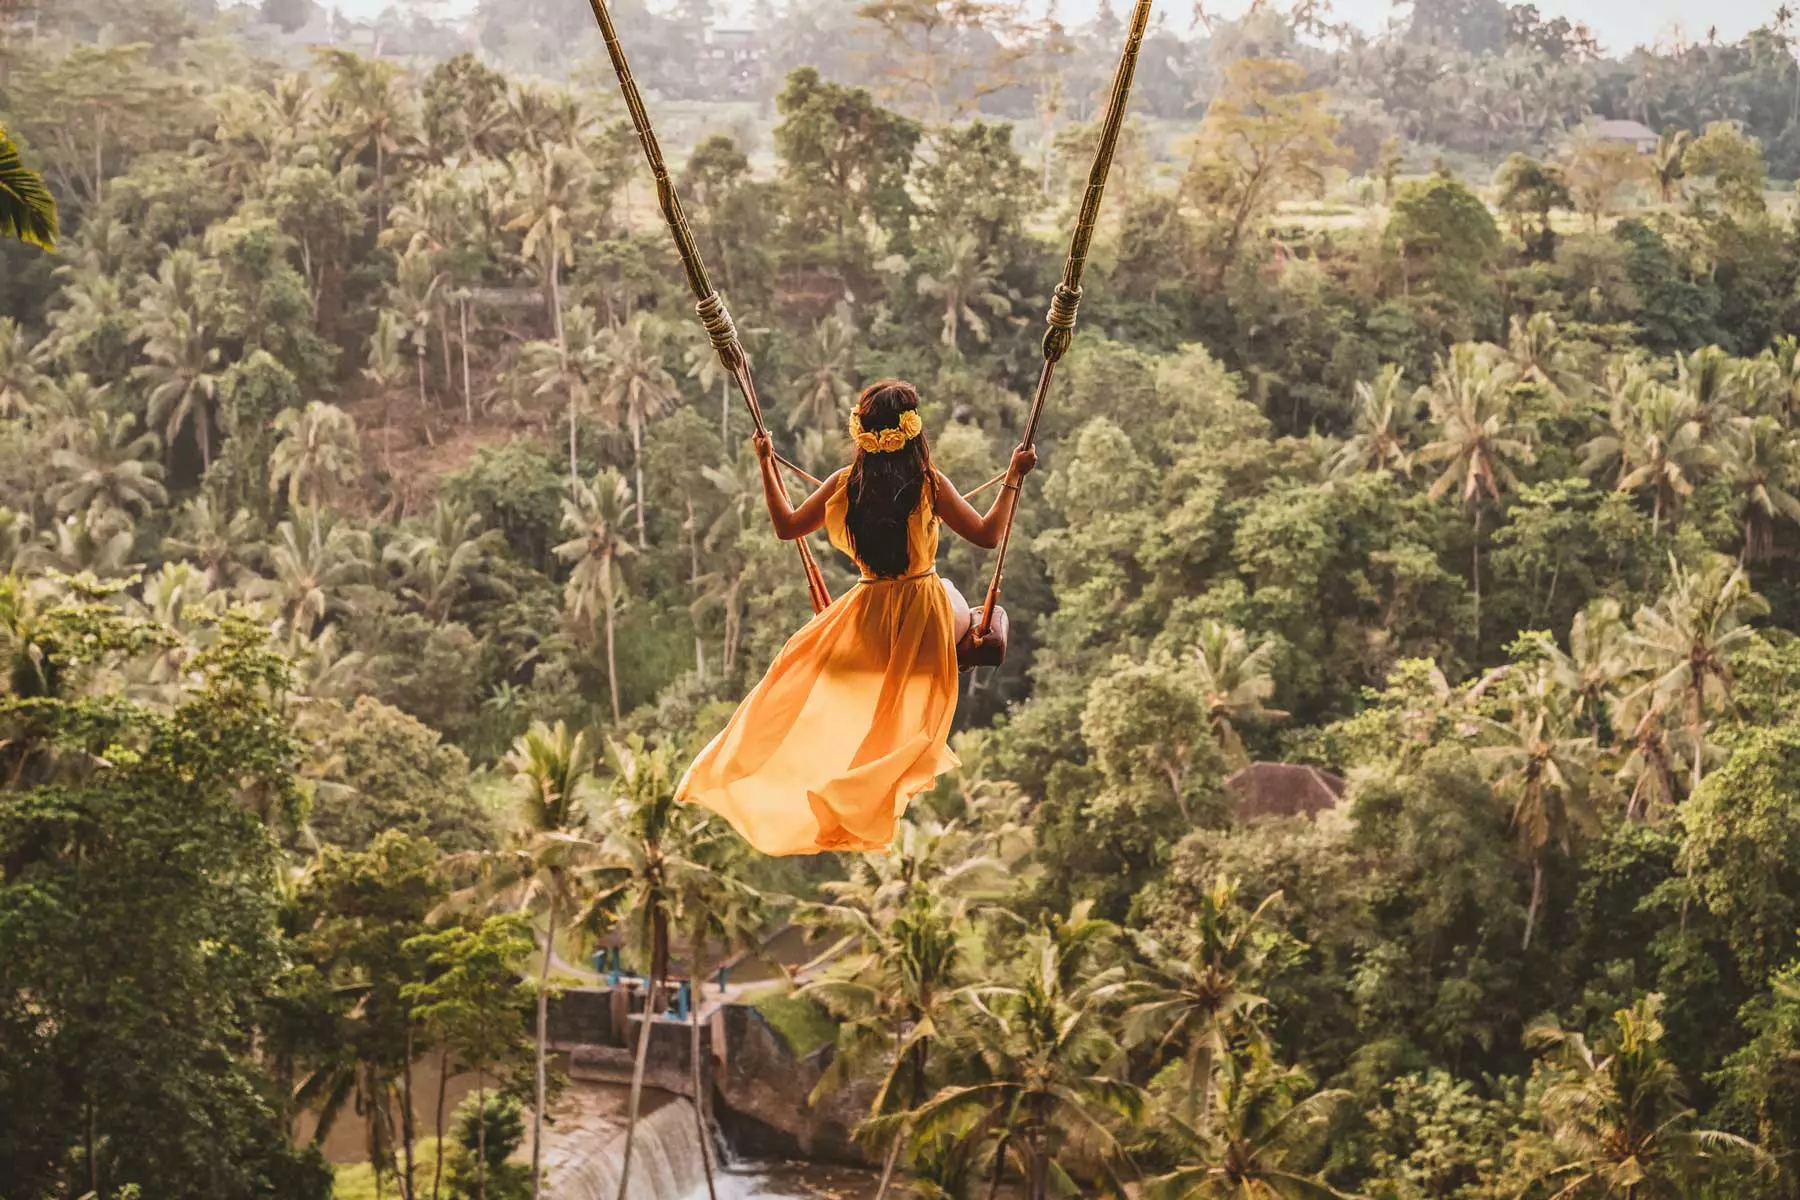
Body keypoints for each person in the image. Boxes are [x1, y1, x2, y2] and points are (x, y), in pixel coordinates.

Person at [676, 380, 1037, 856]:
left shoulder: (845, 485)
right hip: (926, 616)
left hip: (866, 620)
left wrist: (766, 464)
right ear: (914, 431)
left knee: (796, 667)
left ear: (862, 432)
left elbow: (786, 526)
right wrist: (1013, 475)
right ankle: (951, 656)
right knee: (960, 602)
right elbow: (990, 535)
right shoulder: (929, 482)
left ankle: (751, 768)